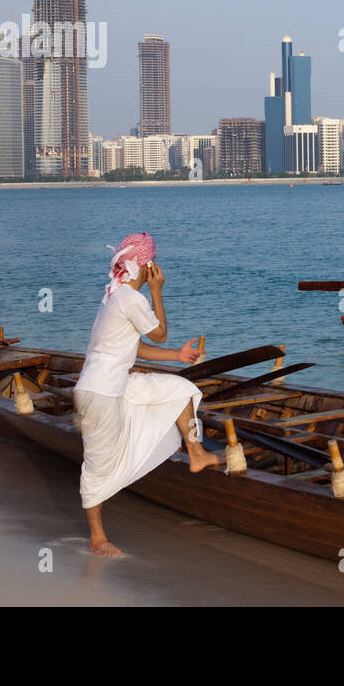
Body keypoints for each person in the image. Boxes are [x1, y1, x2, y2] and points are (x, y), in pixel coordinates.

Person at [73, 232, 216, 557]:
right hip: (99, 393)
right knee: (98, 466)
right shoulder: (128, 298)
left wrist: (177, 358)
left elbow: (133, 346)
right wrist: (157, 290)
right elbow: (160, 334)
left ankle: (195, 454)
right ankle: (97, 539)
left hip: (116, 385)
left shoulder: (114, 297)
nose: (155, 267)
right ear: (145, 264)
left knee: (180, 390)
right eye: (152, 261)